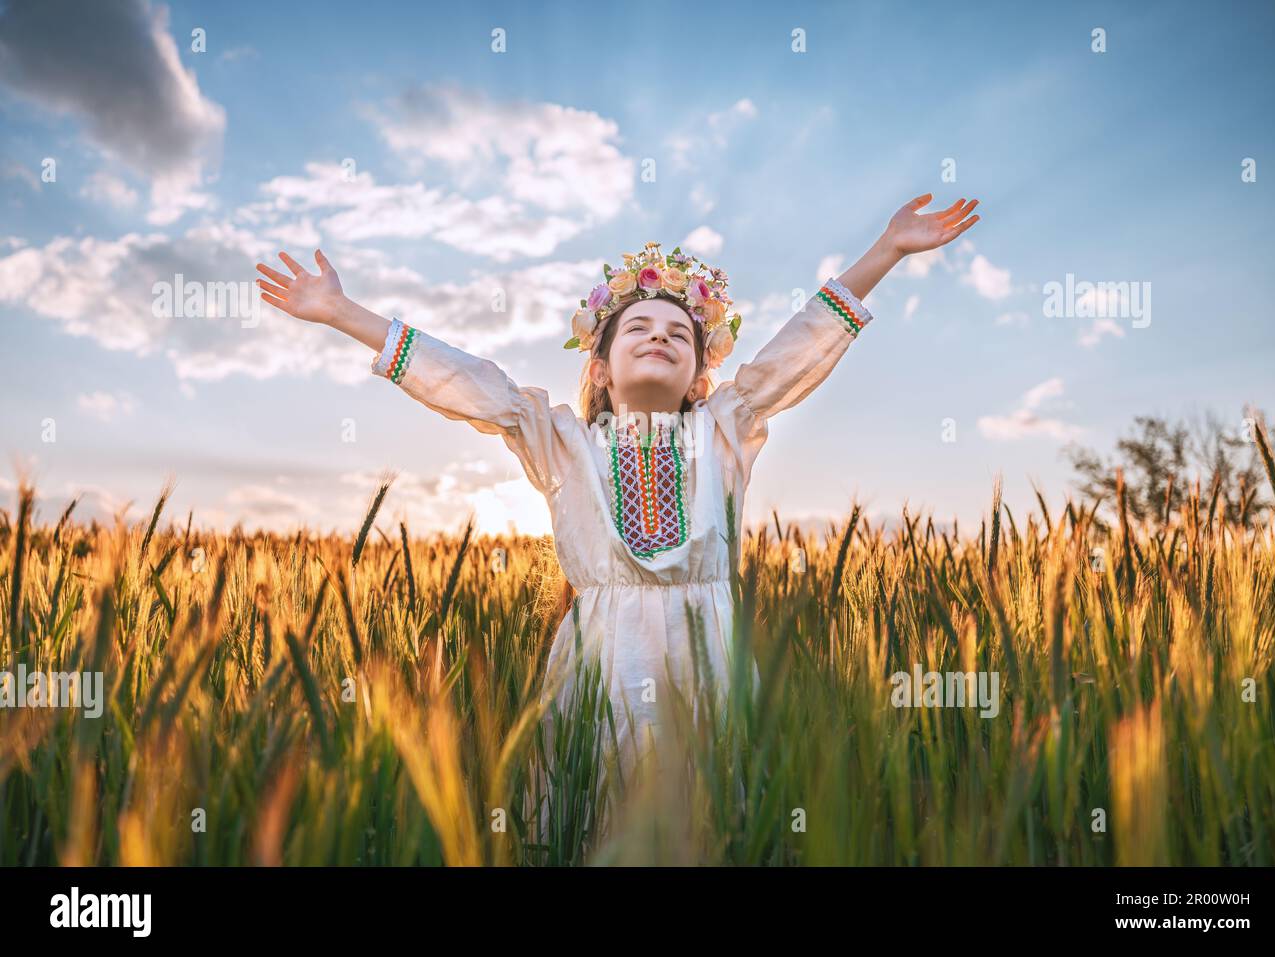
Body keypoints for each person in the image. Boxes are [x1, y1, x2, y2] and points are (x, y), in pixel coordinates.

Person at [254, 193, 981, 841]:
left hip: (709, 659)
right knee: (593, 814)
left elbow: (789, 354)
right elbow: (473, 383)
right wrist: (344, 313)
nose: (660, 334)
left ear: (701, 373)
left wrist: (884, 252)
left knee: (707, 823)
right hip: (601, 661)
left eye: (679, 330)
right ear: (598, 365)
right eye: (638, 326)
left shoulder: (723, 430)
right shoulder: (562, 442)